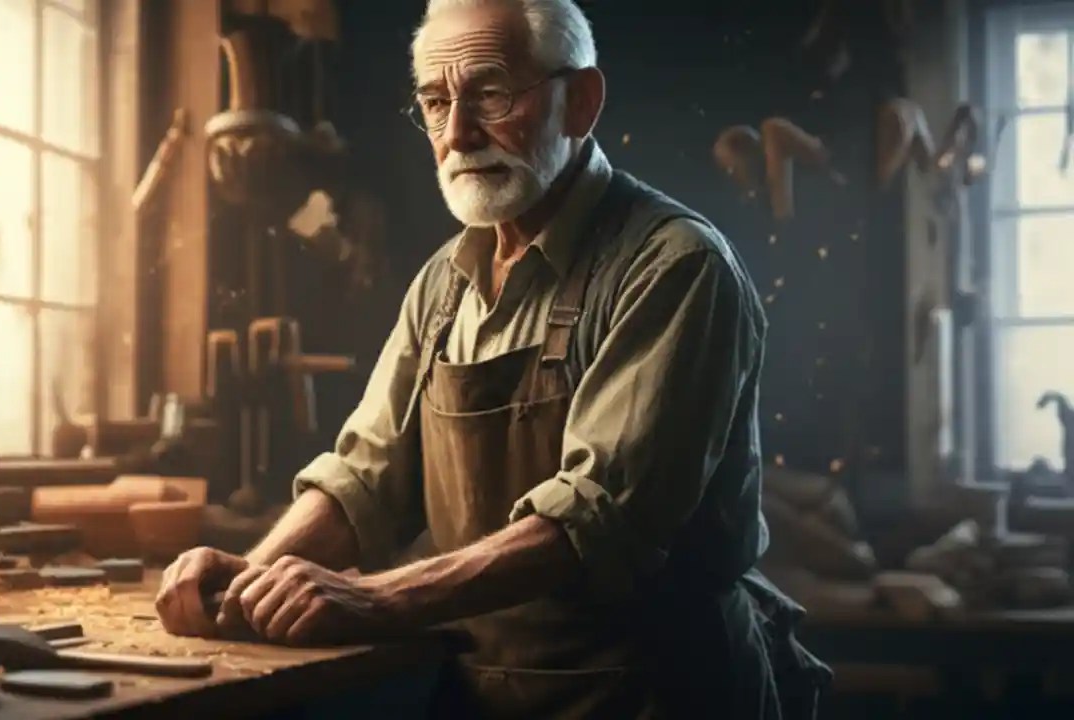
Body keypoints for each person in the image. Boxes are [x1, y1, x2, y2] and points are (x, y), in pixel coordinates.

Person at [158, 1, 816, 717]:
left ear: (582, 102)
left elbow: (595, 522)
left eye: (491, 95)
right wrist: (251, 579)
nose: (459, 134)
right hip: (487, 694)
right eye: (436, 103)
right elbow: (366, 478)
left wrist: (377, 598)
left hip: (649, 694)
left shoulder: (674, 267)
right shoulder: (445, 280)